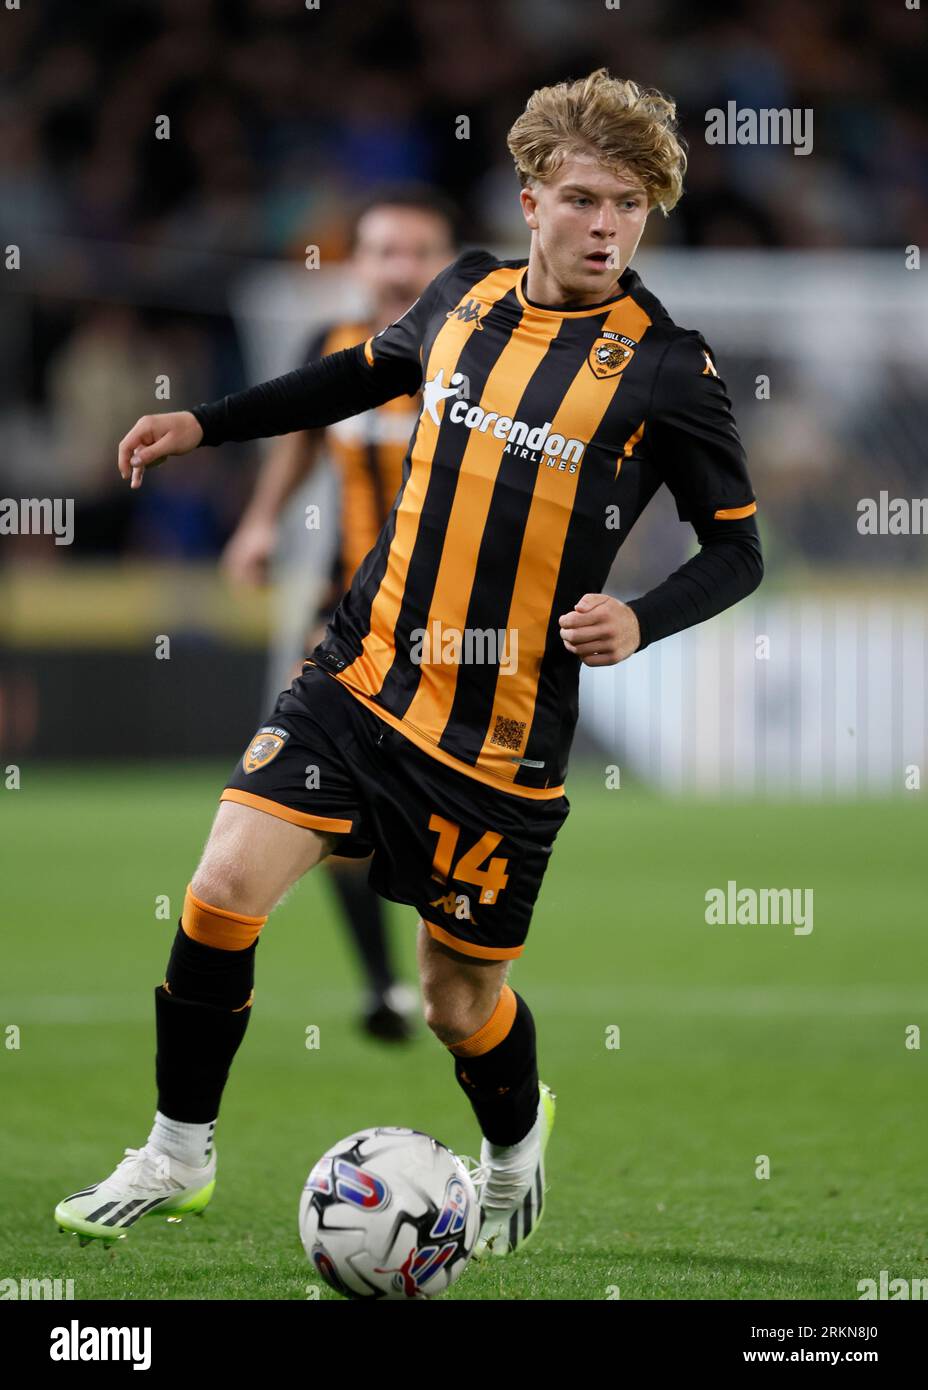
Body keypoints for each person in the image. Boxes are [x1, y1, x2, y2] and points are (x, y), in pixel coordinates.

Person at [56, 69, 762, 1268]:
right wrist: (205, 424)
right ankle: (178, 1149)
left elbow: (738, 549)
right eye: (586, 199)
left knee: (458, 1004)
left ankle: (511, 1143)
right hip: (361, 673)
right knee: (225, 882)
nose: (607, 227)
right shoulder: (463, 293)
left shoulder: (664, 372)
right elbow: (358, 375)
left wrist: (641, 620)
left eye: (632, 206)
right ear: (531, 199)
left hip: (499, 739)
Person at [221, 185, 459, 1042]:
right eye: (385, 251)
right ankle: (383, 984)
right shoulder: (333, 346)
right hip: (345, 607)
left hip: (457, 619)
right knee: (316, 791)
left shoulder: (479, 354)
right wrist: (258, 524)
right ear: (358, 262)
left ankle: (457, 990)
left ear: (447, 260)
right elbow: (301, 441)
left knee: (442, 813)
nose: (401, 267)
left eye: (419, 250)